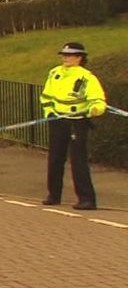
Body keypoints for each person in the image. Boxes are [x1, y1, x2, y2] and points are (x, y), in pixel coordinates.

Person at [39, 42, 107, 210]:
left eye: (69, 55)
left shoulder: (86, 77)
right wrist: (50, 113)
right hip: (57, 120)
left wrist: (94, 109)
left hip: (77, 121)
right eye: (64, 55)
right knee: (55, 158)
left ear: (79, 58)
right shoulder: (54, 73)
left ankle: (87, 199)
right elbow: (46, 96)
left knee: (78, 160)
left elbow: (97, 99)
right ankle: (53, 195)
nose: (65, 58)